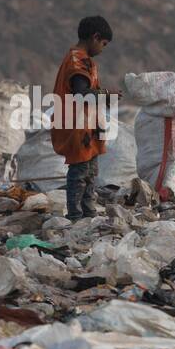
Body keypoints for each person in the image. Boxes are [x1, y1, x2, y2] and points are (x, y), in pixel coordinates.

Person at [51, 16, 117, 220]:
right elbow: (81, 94)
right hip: (77, 125)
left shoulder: (81, 60)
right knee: (79, 172)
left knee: (89, 172)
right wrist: (106, 94)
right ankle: (75, 215)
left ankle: (88, 212)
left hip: (86, 126)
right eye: (103, 44)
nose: (103, 49)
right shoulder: (79, 61)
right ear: (95, 37)